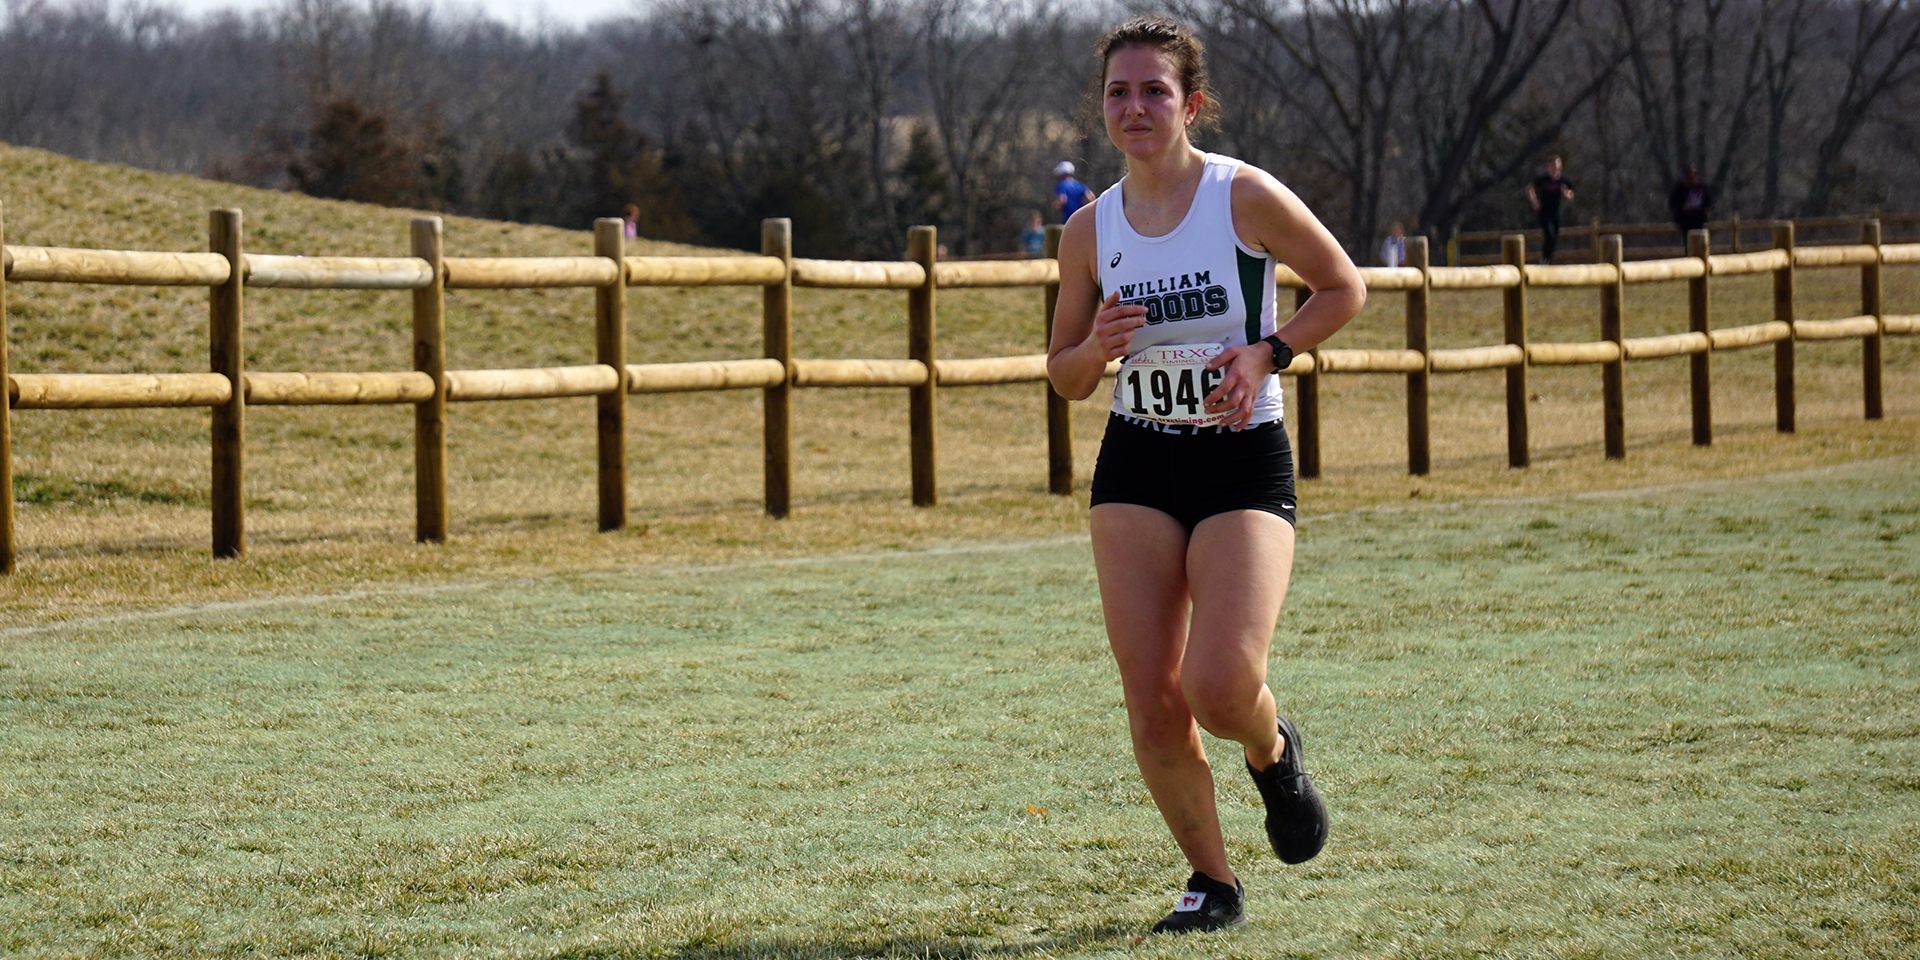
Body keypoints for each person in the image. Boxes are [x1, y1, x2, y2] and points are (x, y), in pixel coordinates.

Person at [1045, 15, 1363, 936]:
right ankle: (1212, 882)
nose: (1134, 106)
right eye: (1118, 91)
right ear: (1102, 106)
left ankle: (1272, 752)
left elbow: (1344, 286)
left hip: (1240, 457)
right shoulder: (1087, 230)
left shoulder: (1243, 198)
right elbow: (1062, 376)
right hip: (1138, 456)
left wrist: (1269, 353)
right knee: (1152, 696)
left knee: (1219, 684)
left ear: (1191, 103)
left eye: (1154, 90)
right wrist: (1093, 350)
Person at [1525, 156, 1574, 264]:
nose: (1555, 168)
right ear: (1548, 167)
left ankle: (1548, 260)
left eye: (1557, 166)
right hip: (1544, 212)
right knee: (1549, 235)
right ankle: (1544, 259)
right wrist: (1534, 201)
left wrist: (1567, 195)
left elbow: (1571, 194)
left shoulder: (1563, 180)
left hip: (1556, 213)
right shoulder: (1543, 179)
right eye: (1553, 166)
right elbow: (1529, 188)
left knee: (1554, 238)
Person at [1668, 166, 1713, 238]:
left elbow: (1708, 202)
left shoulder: (1701, 187)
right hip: (1685, 220)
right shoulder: (1680, 188)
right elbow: (1672, 203)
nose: (1690, 178)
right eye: (1688, 175)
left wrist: (1706, 211)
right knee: (1689, 241)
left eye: (1692, 175)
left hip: (1699, 218)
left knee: (1701, 239)